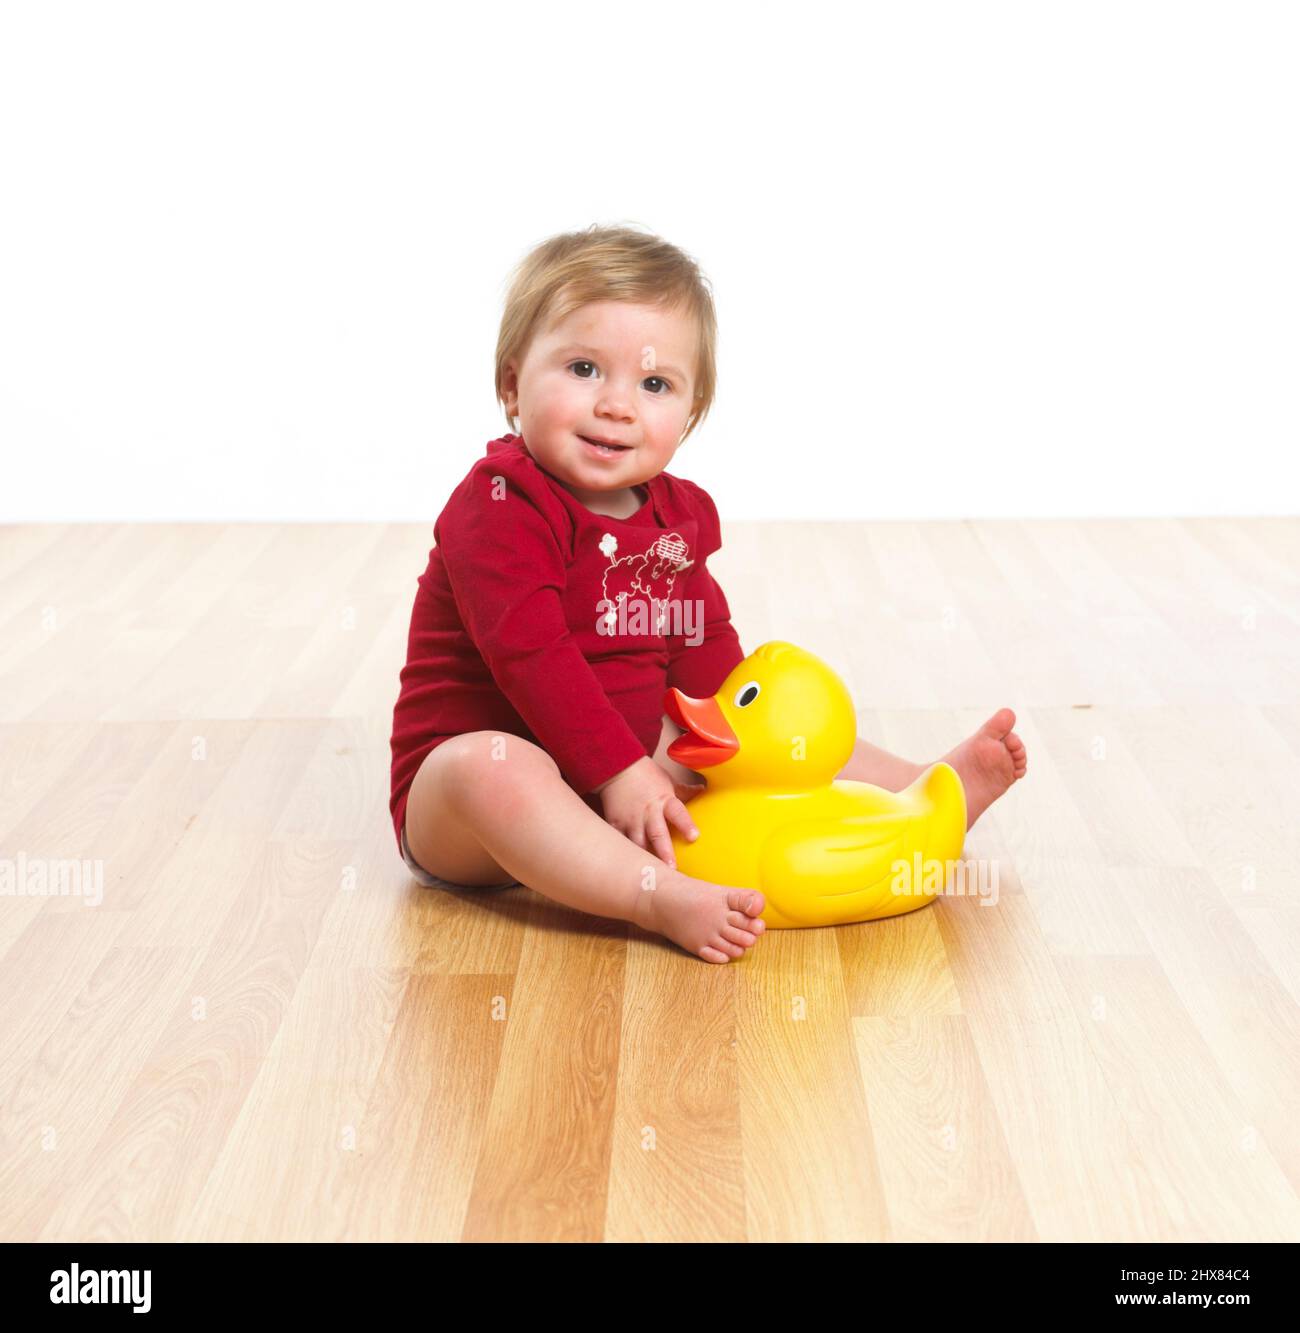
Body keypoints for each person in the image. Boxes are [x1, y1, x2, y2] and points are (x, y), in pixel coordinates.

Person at [389, 224, 1027, 963]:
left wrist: (737, 741)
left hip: (607, 777)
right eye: (585, 368)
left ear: (689, 414)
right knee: (493, 764)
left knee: (738, 732)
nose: (617, 405)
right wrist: (622, 772)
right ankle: (652, 896)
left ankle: (922, 794)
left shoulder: (676, 517)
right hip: (471, 816)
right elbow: (532, 656)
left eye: (654, 384)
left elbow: (712, 666)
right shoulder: (498, 505)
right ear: (511, 384)